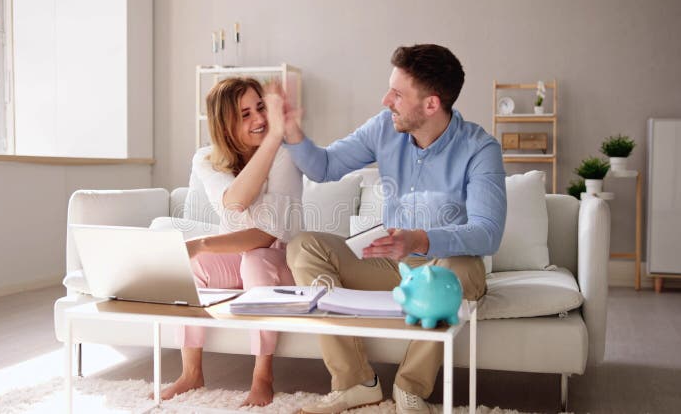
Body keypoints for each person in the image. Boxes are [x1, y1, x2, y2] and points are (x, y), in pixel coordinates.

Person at [278, 44, 507, 413]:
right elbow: (324, 167)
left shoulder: (480, 149)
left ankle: (409, 388)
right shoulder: (385, 128)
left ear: (431, 104)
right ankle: (356, 382)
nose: (386, 100)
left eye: (398, 94)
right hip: (391, 265)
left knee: (459, 268)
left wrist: (421, 239)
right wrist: (291, 130)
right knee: (304, 247)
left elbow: (488, 233)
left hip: (445, 267)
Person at [159, 77, 303, 406]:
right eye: (246, 114)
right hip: (239, 256)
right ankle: (191, 373)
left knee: (253, 260)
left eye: (261, 108)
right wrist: (199, 250)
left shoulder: (284, 156)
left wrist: (203, 243)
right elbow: (233, 201)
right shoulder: (206, 159)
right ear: (225, 124)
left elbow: (267, 234)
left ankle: (262, 376)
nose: (260, 120)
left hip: (282, 260)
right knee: (192, 264)